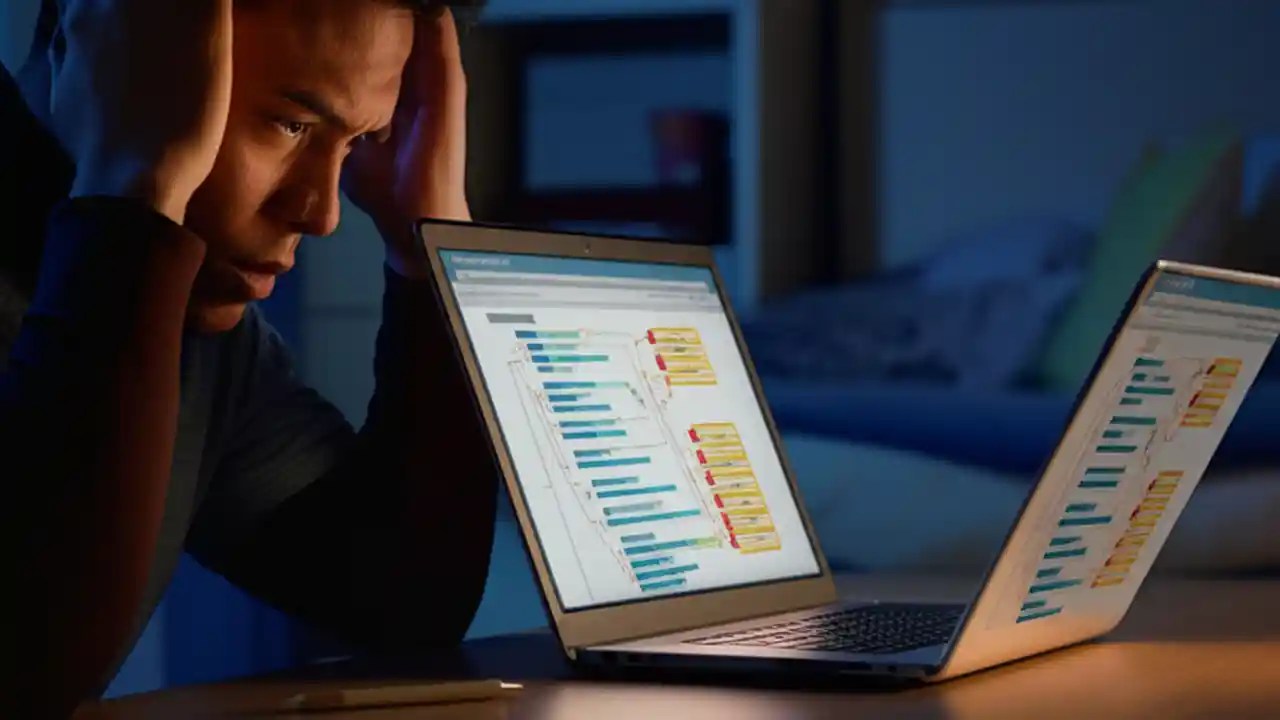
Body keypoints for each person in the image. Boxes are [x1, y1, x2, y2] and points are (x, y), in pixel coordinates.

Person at [0, 0, 498, 715]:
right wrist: (137, 192)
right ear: (95, 46)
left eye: (358, 141)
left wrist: (430, 245)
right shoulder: (136, 271)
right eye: (291, 124)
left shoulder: (195, 332)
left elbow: (405, 601)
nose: (322, 213)